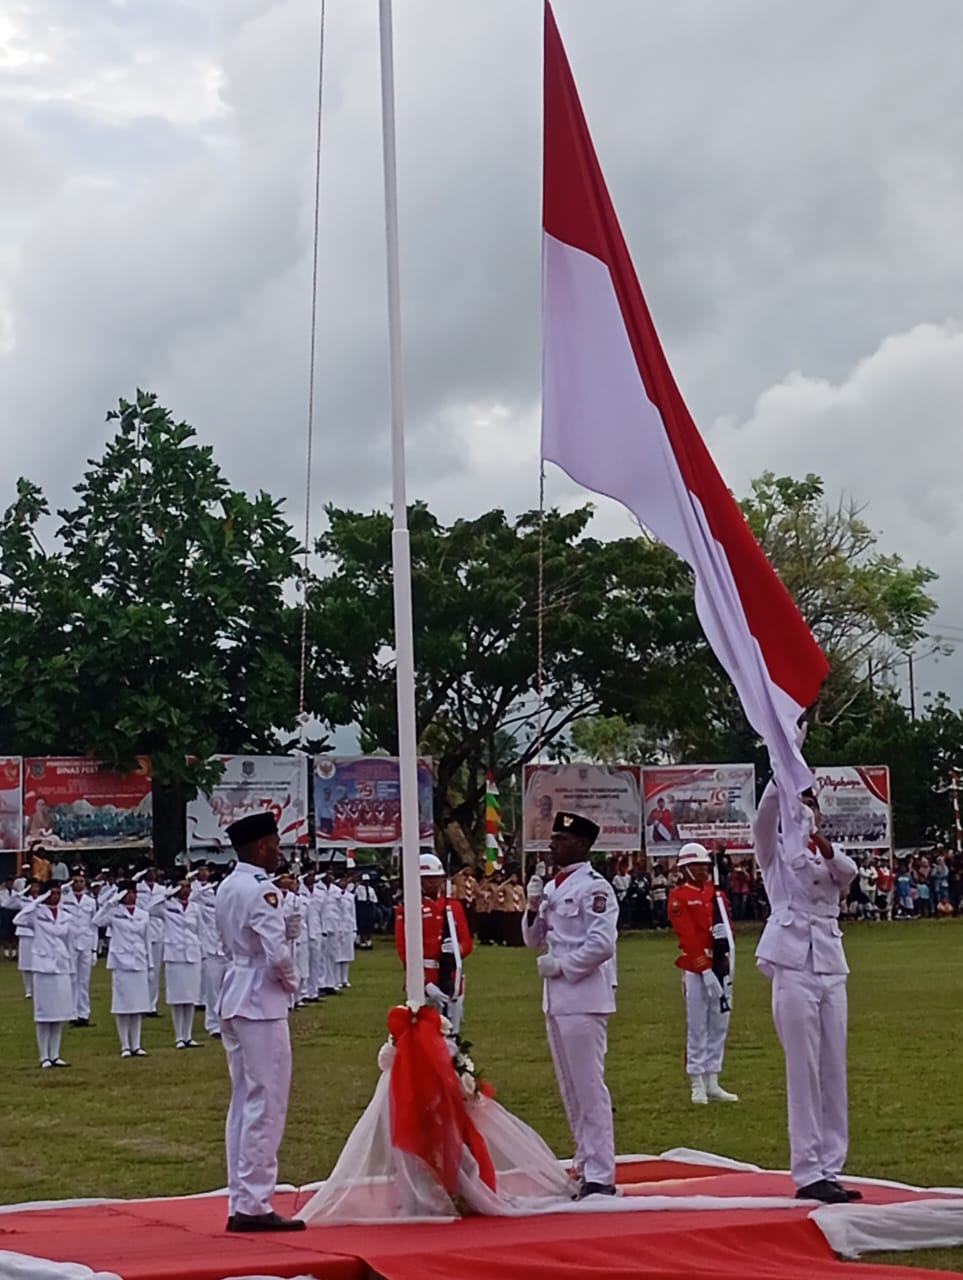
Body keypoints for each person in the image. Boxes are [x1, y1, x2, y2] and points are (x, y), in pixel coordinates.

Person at [754, 778, 860, 1205]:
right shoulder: (777, 854)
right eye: (801, 805)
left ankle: (832, 1165)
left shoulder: (829, 856)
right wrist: (782, 775)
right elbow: (762, 823)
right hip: (794, 962)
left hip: (830, 965)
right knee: (803, 1069)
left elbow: (847, 874)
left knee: (834, 1068)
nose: (806, 811)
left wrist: (817, 835)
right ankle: (808, 1170)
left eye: (811, 805)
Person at [522, 811, 619, 1199]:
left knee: (589, 1087)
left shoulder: (595, 888)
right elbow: (532, 940)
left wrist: (562, 966)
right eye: (553, 839)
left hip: (583, 996)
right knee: (570, 1088)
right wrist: (532, 906)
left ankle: (601, 1172)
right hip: (557, 999)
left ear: (581, 844)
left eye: (561, 840)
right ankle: (585, 1159)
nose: (552, 845)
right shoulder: (552, 888)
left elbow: (601, 944)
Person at [215, 812, 304, 1233]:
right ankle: (253, 1202)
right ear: (262, 846)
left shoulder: (229, 885)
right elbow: (276, 952)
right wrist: (293, 984)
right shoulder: (260, 889)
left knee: (244, 1099)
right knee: (267, 1100)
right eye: (275, 844)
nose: (279, 852)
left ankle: (241, 1196)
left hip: (235, 989)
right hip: (259, 998)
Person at [668, 843, 738, 1105]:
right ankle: (696, 1081)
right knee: (697, 1024)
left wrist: (725, 955)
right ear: (685, 868)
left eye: (705, 865)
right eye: (697, 865)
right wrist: (704, 969)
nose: (702, 869)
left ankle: (713, 1079)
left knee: (719, 1022)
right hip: (697, 967)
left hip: (721, 963)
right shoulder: (679, 896)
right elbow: (686, 935)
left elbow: (727, 927)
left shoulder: (716, 893)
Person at [395, 852, 472, 1032]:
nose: (433, 883)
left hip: (451, 975)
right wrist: (424, 982)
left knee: (452, 1032)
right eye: (428, 879)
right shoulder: (408, 909)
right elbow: (404, 950)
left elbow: (467, 942)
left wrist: (458, 949)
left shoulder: (453, 907)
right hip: (423, 976)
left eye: (436, 878)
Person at [13, 882, 76, 1067]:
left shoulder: (66, 915)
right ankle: (44, 1056)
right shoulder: (36, 914)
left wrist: (71, 967)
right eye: (52, 893)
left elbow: (69, 942)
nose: (55, 896)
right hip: (43, 966)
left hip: (61, 965)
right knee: (44, 1014)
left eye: (58, 893)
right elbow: (18, 919)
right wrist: (38, 900)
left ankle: (55, 1054)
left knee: (59, 1013)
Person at [93, 880, 151, 1057]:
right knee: (123, 1005)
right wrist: (110, 903)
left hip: (139, 960)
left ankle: (137, 1044)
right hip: (121, 961)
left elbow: (146, 938)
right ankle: (125, 1045)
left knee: (138, 1005)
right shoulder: (114, 912)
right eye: (127, 892)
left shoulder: (143, 914)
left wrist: (150, 962)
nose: (131, 896)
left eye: (134, 892)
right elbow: (96, 921)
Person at [153, 874, 204, 1048]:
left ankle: (188, 1035)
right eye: (181, 887)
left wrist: (202, 951)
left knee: (190, 998)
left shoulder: (195, 907)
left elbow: (200, 930)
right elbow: (149, 908)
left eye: (188, 887)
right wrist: (166, 894)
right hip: (175, 955)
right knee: (177, 997)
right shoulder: (167, 906)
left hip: (192, 953)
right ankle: (179, 1037)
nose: (186, 890)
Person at [61, 868, 98, 1027]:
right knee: (72, 979)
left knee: (84, 980)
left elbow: (94, 925)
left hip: (86, 943)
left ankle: (84, 1014)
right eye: (75, 881)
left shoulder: (90, 901)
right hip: (70, 944)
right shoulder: (64, 899)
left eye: (81, 881)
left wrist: (95, 949)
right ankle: (72, 1013)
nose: (78, 884)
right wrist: (65, 888)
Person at [135, 867, 166, 1016]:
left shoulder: (162, 889)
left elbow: (162, 910)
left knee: (155, 971)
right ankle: (141, 1004)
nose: (152, 874)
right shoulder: (138, 888)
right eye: (148, 871)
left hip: (157, 931)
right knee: (142, 970)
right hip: (140, 931)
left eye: (154, 871)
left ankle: (152, 1006)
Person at [354, 873, 377, 949]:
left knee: (369, 925)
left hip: (369, 906)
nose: (366, 883)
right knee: (362, 925)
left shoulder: (371, 889)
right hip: (362, 906)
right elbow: (355, 896)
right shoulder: (358, 888)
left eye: (367, 881)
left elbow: (374, 899)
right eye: (365, 881)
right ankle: (362, 941)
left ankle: (368, 941)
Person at [650, 864, 669, 928]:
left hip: (662, 896)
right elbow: (652, 887)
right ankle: (658, 924)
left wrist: (658, 886)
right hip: (656, 897)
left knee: (663, 911)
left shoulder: (663, 878)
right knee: (657, 911)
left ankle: (664, 924)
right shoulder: (654, 879)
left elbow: (665, 886)